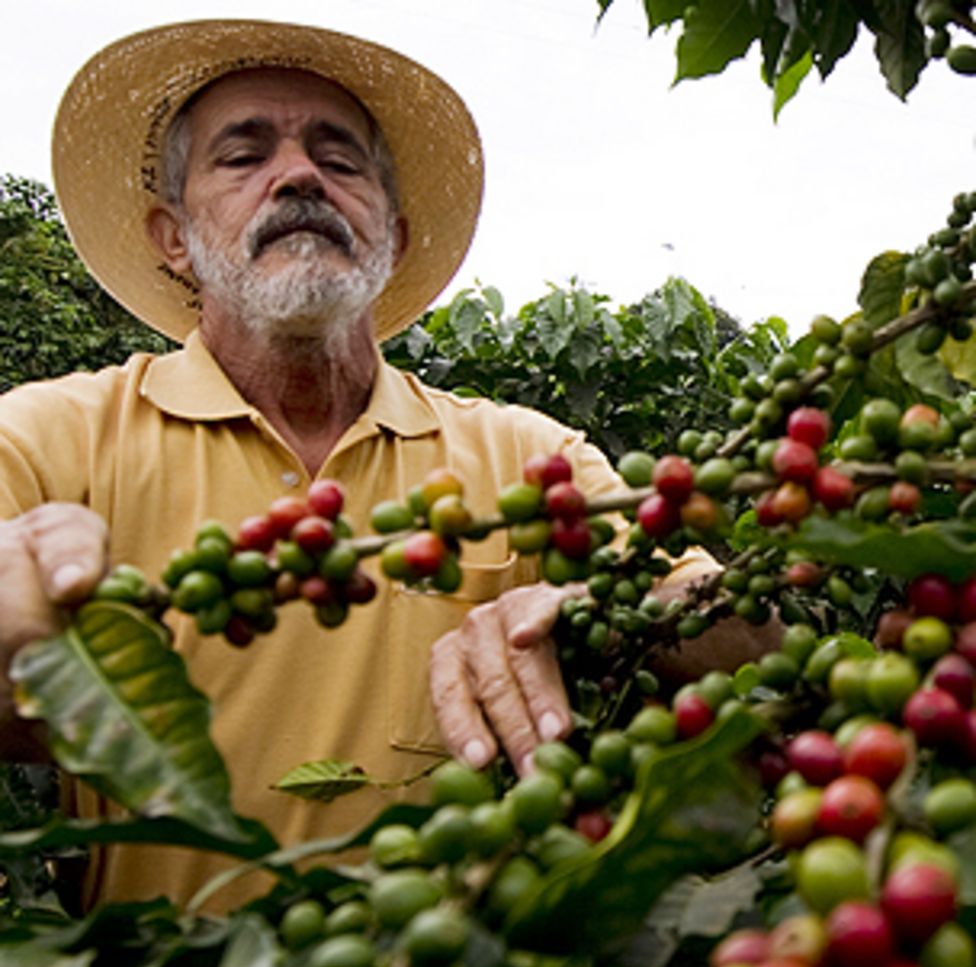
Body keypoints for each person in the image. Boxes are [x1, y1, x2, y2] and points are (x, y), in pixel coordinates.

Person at [0, 19, 755, 913]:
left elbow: (754, 640)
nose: (298, 176)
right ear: (174, 235)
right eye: (243, 156)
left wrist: (598, 612)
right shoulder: (52, 438)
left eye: (339, 159)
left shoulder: (527, 459)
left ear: (391, 238)